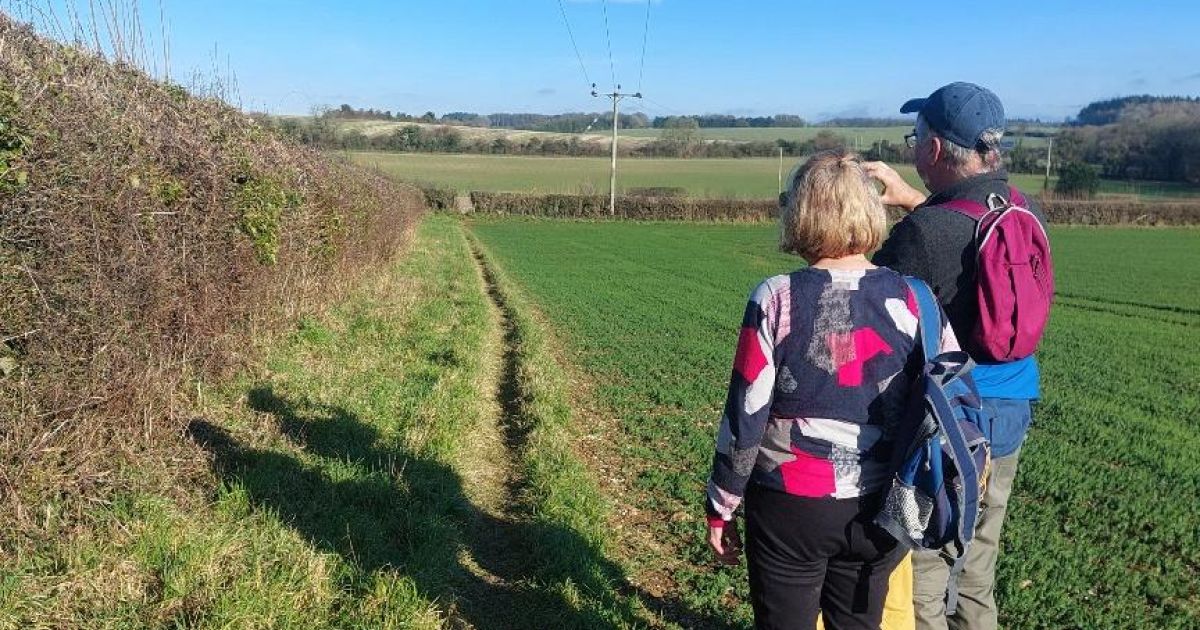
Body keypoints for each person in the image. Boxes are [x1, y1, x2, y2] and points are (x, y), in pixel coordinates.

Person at [704, 149, 959, 630]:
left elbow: (746, 416)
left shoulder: (776, 297)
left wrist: (722, 505)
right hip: (886, 506)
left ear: (800, 214)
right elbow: (950, 401)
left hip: (790, 508)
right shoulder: (917, 298)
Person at [865, 82, 1049, 630]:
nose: (913, 147)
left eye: (916, 136)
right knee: (975, 567)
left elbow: (865, 305)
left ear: (936, 149)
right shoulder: (1019, 207)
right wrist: (911, 197)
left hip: (944, 423)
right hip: (1009, 411)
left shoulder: (925, 233)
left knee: (922, 566)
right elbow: (965, 238)